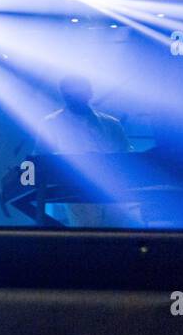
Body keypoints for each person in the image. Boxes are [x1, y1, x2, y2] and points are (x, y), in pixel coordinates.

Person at [37, 74, 136, 227]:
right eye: (68, 92)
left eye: (77, 91)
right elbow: (40, 157)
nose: (72, 96)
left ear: (89, 93)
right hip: (76, 190)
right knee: (88, 237)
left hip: (113, 191)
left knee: (116, 237)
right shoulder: (52, 123)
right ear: (63, 94)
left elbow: (127, 157)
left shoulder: (112, 124)